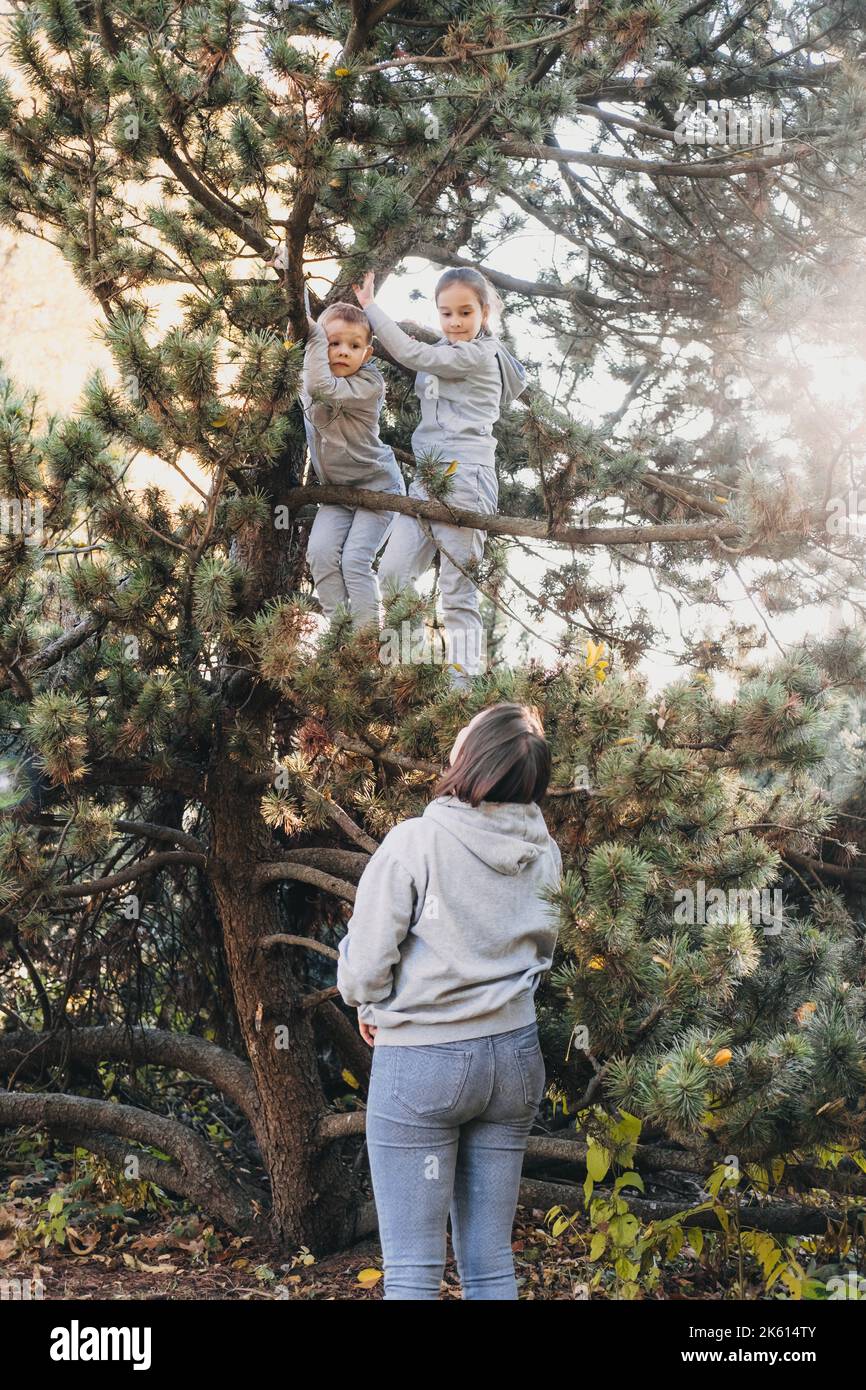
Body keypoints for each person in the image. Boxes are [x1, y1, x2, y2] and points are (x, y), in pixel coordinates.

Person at [336, 702, 562, 1299]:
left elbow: (362, 971)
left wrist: (372, 1008)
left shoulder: (416, 842)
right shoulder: (546, 852)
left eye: (467, 730)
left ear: (474, 757)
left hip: (423, 1062)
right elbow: (541, 950)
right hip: (514, 1060)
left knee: (412, 1269)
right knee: (490, 1263)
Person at [353, 268, 526, 688]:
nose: (455, 322)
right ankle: (406, 674)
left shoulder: (476, 354)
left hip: (467, 475)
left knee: (456, 590)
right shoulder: (451, 346)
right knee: (392, 572)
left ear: (484, 312)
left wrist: (370, 308)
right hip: (428, 477)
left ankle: (460, 694)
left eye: (465, 312)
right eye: (446, 313)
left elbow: (414, 355)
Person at [300, 299, 406, 630]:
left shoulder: (368, 384)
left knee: (355, 560)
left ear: (367, 353)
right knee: (319, 554)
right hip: (337, 493)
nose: (344, 351)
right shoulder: (308, 375)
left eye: (354, 345)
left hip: (378, 486)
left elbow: (322, 388)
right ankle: (341, 635)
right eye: (334, 343)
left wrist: (316, 337)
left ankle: (366, 644)